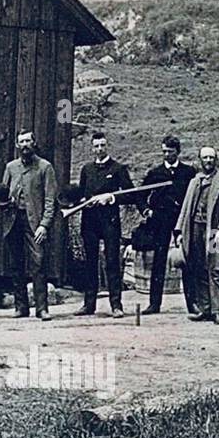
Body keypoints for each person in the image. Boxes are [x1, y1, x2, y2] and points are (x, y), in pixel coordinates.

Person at [174, 145, 219, 325]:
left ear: (216, 159)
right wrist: (179, 231)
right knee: (198, 268)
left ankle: (218, 311)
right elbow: (186, 209)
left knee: (215, 269)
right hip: (195, 229)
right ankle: (205, 308)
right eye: (205, 158)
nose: (208, 161)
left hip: (213, 232)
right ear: (200, 160)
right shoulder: (195, 181)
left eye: (211, 157)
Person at [0, 130, 57, 320]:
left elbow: (50, 200)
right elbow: (3, 194)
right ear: (17, 145)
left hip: (35, 222)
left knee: (38, 263)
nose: (25, 145)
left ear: (34, 143)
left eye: (28, 141)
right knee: (16, 264)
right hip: (14, 220)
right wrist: (6, 203)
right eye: (21, 142)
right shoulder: (11, 167)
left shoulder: (45, 167)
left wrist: (44, 225)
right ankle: (21, 307)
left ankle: (42, 309)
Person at [75, 131, 134, 318]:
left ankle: (116, 305)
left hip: (110, 221)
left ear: (107, 146)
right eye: (96, 146)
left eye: (102, 145)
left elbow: (130, 193)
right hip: (90, 221)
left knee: (111, 262)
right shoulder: (87, 169)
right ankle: (89, 304)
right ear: (92, 148)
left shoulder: (118, 169)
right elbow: (82, 193)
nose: (99, 149)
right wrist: (85, 200)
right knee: (90, 262)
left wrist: (111, 198)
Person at [136, 135, 198, 314]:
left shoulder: (188, 173)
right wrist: (146, 210)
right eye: (164, 151)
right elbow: (140, 194)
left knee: (186, 259)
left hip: (181, 220)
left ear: (177, 152)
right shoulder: (155, 173)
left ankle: (192, 304)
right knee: (159, 260)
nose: (166, 155)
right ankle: (154, 304)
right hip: (160, 220)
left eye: (170, 152)